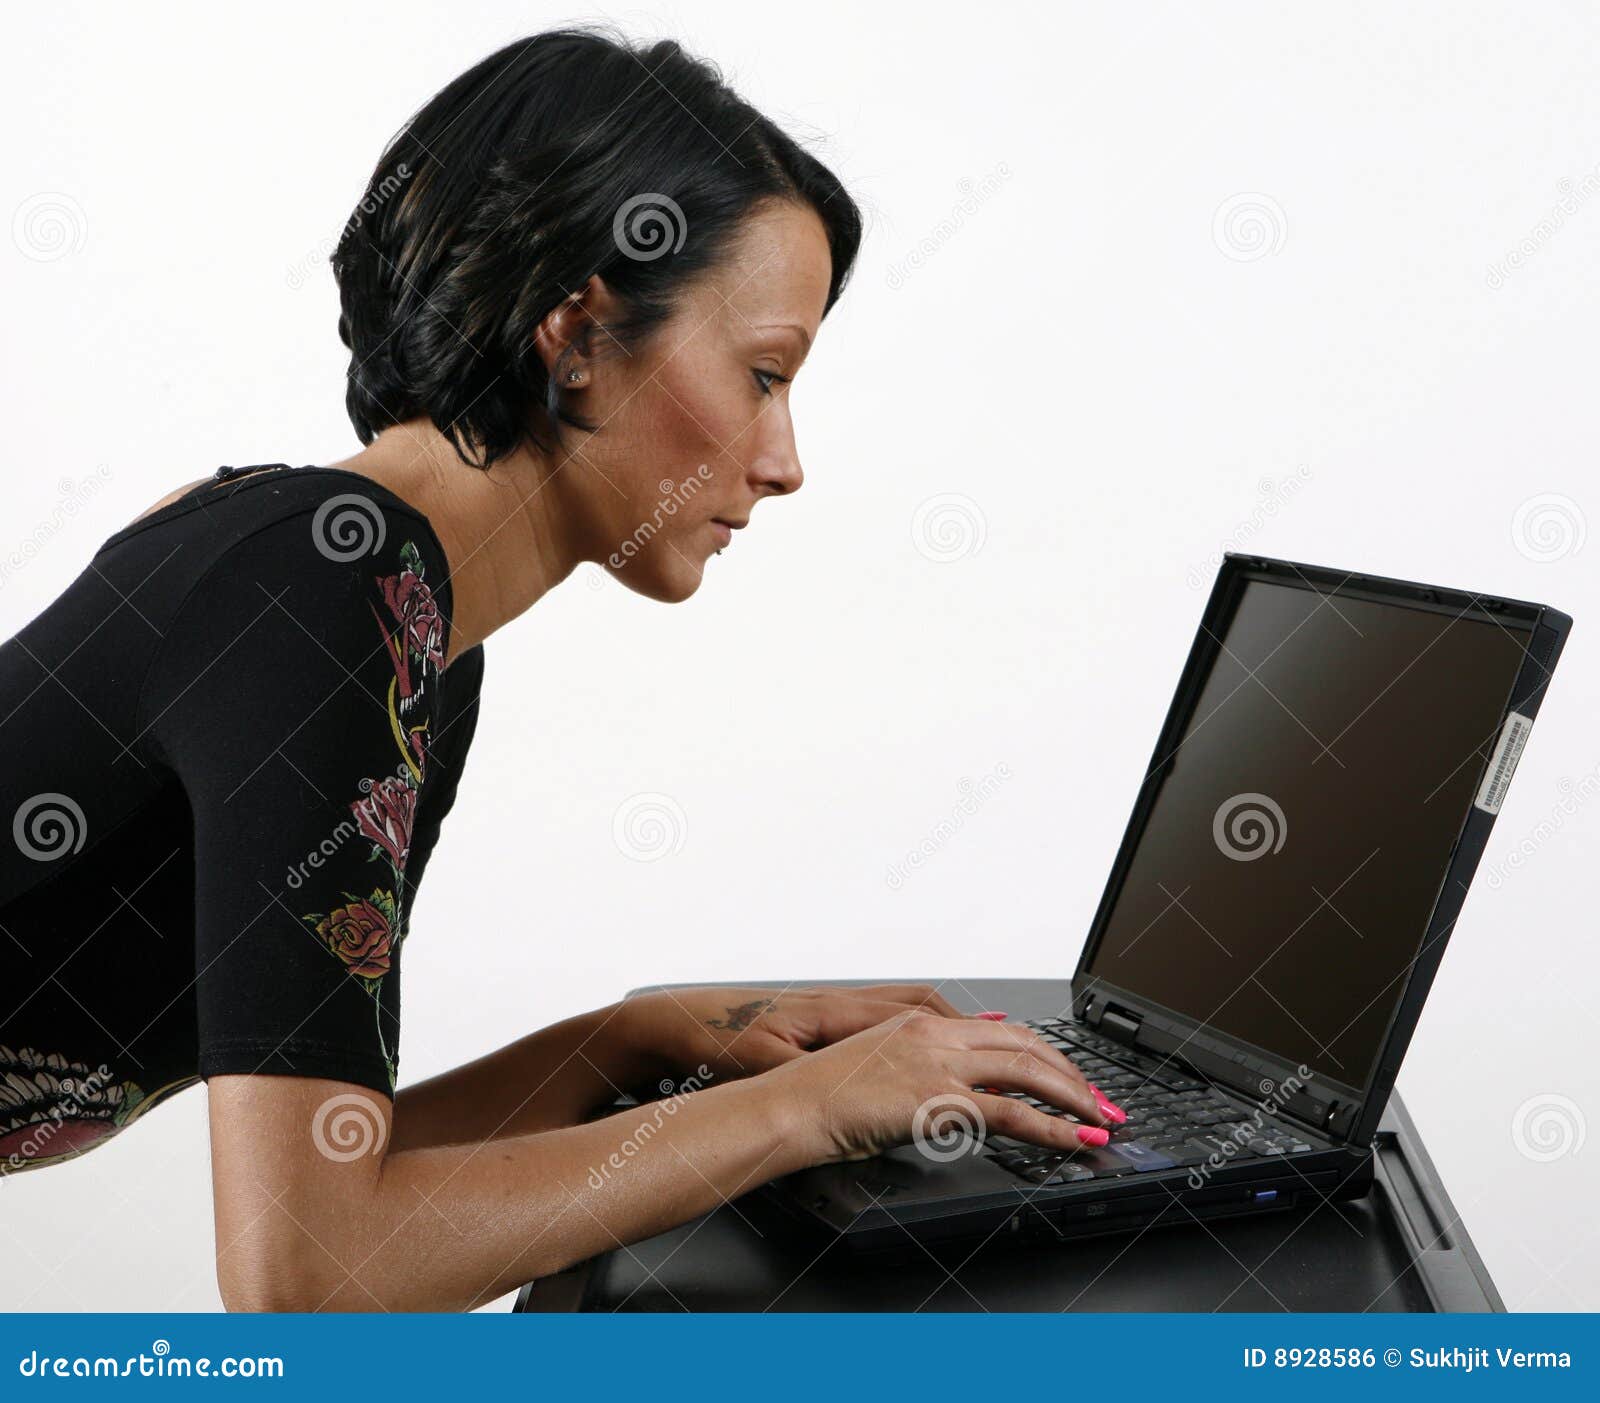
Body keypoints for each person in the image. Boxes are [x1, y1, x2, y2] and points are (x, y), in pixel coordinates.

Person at [0, 27, 1120, 1310]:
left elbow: (339, 1184)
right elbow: (306, 1274)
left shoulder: (403, 625)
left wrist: (630, 1041)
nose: (784, 461)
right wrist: (809, 1107)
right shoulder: (321, 590)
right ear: (577, 333)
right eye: (762, 375)